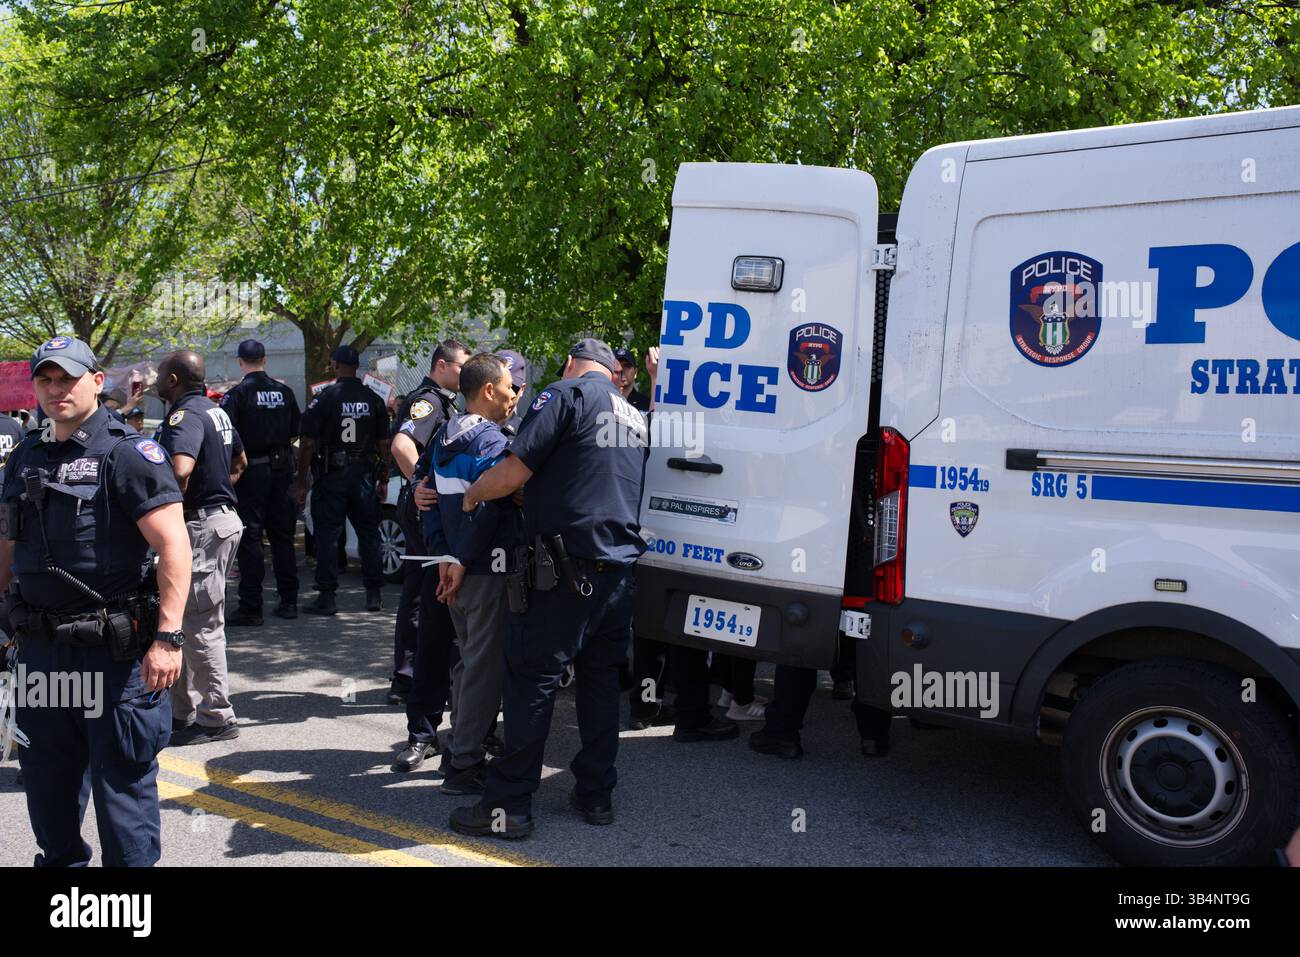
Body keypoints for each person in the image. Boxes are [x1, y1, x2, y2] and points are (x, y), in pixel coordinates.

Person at [1, 336, 191, 865]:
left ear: (97, 381)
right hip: (42, 656)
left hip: (112, 659)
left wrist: (169, 638)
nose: (56, 389)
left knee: (122, 802)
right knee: (46, 797)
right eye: (46, 380)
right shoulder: (25, 457)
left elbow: (174, 545)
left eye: (67, 378)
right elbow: (7, 546)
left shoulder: (128, 454)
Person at [448, 338, 647, 839]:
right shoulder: (634, 414)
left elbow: (515, 469)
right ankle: (596, 794)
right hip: (618, 572)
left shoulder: (566, 395)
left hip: (565, 570)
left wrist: (474, 493)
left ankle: (509, 806)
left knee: (531, 680)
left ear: (571, 365)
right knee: (600, 684)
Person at [430, 354, 522, 794]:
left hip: (457, 568)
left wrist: (445, 558)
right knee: (484, 668)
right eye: (509, 388)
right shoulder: (489, 441)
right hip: (485, 569)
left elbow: (429, 503)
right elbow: (488, 506)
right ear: (488, 390)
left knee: (468, 663)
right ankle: (464, 763)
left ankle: (458, 747)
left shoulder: (446, 433)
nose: (513, 396)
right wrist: (463, 560)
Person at [155, 351, 246, 745]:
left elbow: (179, 469)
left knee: (199, 622)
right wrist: (220, 492)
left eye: (160, 375)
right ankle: (182, 714)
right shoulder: (215, 411)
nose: (157, 380)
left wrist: (168, 509)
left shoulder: (185, 415)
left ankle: (216, 717)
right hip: (217, 518)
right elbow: (240, 461)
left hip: (201, 523)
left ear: (174, 379)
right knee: (185, 616)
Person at [386, 339, 468, 707]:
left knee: (420, 588)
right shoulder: (429, 401)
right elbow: (402, 444)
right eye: (461, 368)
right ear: (441, 365)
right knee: (427, 592)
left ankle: (408, 677)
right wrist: (420, 483)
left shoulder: (442, 401)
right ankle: (411, 678)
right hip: (423, 506)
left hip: (424, 505)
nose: (465, 374)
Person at [295, 345, 389, 615]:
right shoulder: (373, 399)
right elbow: (384, 444)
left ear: (335, 365)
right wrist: (383, 478)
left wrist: (302, 481)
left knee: (327, 535)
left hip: (332, 475)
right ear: (357, 366)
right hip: (363, 476)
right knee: (369, 534)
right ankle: (374, 595)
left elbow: (308, 443)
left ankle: (327, 597)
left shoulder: (325, 398)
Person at [222, 339, 302, 626]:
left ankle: (251, 606)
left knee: (251, 539)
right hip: (282, 472)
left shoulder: (237, 395)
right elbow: (295, 429)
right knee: (282, 537)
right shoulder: (285, 392)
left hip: (251, 473)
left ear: (241, 362)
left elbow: (227, 437)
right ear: (265, 360)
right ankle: (289, 600)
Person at [612, 347, 650, 412]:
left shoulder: (645, 404)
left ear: (635, 372)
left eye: (627, 366)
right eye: (617, 365)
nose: (621, 369)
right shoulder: (602, 399)